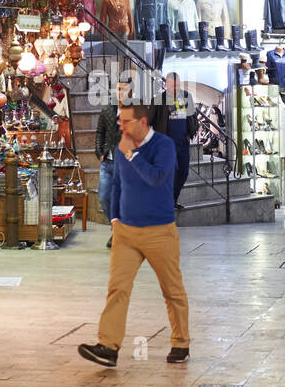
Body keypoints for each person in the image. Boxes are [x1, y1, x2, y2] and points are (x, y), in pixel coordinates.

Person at [79, 103, 191, 367]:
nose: (120, 127)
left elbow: (157, 178)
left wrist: (133, 156)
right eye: (119, 123)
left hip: (159, 232)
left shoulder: (163, 146)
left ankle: (180, 342)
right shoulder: (121, 147)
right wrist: (115, 218)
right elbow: (117, 184)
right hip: (126, 232)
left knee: (171, 290)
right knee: (117, 289)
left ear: (142, 123)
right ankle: (108, 346)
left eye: (125, 122)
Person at [95, 81, 128, 248]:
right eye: (119, 89)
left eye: (125, 89)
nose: (121, 92)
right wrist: (99, 152)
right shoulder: (108, 109)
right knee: (104, 197)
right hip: (107, 162)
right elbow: (100, 132)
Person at [161, 73, 198, 209]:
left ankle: (172, 199)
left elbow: (193, 116)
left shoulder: (187, 96)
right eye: (171, 85)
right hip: (167, 144)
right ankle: (167, 201)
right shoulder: (160, 99)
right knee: (170, 173)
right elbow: (152, 120)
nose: (175, 88)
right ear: (166, 85)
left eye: (177, 85)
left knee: (183, 173)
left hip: (183, 142)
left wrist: (191, 133)